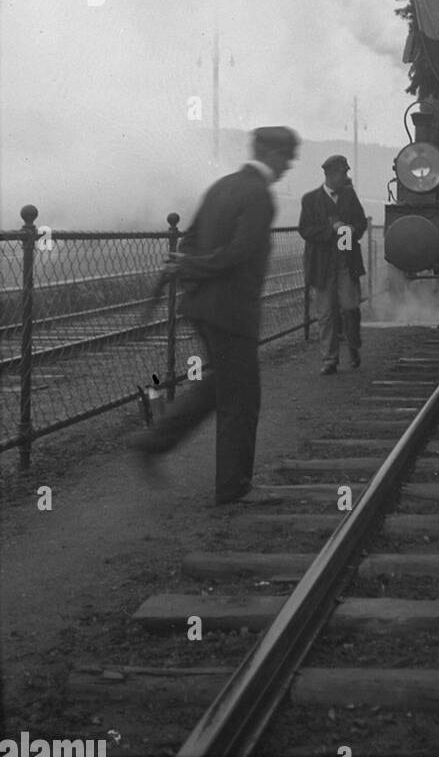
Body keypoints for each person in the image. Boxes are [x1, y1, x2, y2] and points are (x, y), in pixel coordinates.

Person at [129, 125, 299, 505]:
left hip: (202, 307)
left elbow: (188, 241)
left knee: (220, 384)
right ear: (271, 154)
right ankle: (233, 488)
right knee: (241, 399)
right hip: (233, 311)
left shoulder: (221, 186)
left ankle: (154, 440)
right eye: (287, 158)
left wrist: (192, 269)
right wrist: (201, 266)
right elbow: (239, 253)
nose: (288, 166)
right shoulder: (260, 196)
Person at [299, 155, 367, 374]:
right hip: (322, 266)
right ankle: (330, 359)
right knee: (326, 314)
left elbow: (361, 223)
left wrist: (349, 230)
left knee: (350, 307)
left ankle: (353, 345)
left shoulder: (350, 196)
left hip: (346, 262)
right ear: (329, 174)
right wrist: (332, 231)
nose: (345, 177)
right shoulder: (310, 200)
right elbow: (305, 230)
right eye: (342, 173)